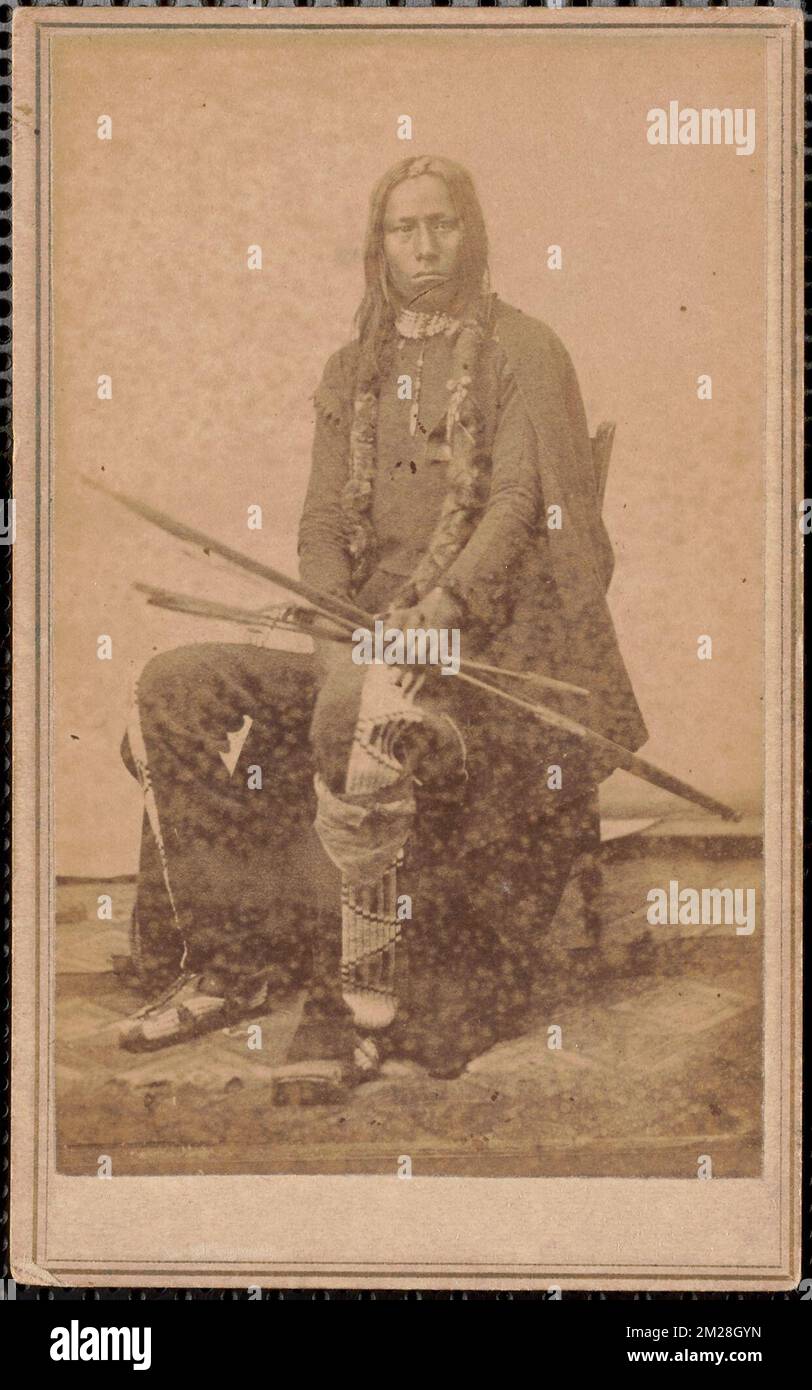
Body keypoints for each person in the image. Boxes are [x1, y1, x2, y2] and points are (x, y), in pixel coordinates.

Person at [118, 155, 647, 1089]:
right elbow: (324, 522)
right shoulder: (352, 365)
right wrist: (334, 627)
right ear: (380, 243)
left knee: (353, 718)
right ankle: (231, 961)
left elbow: (520, 506)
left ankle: (353, 992)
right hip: (360, 637)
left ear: (470, 232)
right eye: (404, 228)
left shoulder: (524, 348)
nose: (425, 244)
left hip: (473, 643)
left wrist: (435, 612)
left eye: (441, 223)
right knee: (175, 686)